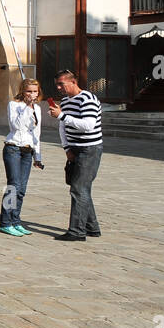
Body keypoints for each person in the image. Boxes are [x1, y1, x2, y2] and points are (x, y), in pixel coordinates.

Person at [48, 69, 102, 241]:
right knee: (81, 188)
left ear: (73, 82)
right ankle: (91, 227)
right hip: (75, 148)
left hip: (89, 149)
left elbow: (88, 125)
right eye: (57, 84)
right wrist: (66, 149)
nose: (58, 88)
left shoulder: (88, 99)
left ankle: (77, 232)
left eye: (61, 84)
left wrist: (62, 115)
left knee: (78, 189)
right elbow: (62, 127)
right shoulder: (65, 101)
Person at [0, 78, 44, 236]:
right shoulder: (15, 105)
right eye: (29, 91)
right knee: (13, 186)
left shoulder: (37, 109)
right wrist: (26, 106)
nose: (32, 94)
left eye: (35, 91)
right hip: (13, 148)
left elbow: (36, 133)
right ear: (22, 92)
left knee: (22, 189)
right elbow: (16, 125)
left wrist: (38, 156)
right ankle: (5, 222)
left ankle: (16, 221)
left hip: (28, 151)